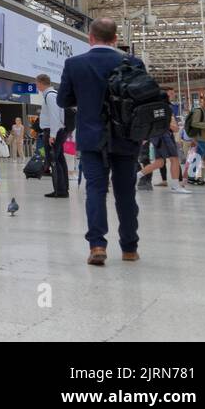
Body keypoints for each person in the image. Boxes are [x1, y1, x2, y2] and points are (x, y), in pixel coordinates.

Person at [57, 18, 144, 266]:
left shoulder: (74, 64)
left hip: (92, 136)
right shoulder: (133, 62)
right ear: (116, 38)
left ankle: (97, 246)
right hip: (127, 138)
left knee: (95, 190)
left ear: (90, 37)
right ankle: (129, 248)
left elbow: (64, 100)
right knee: (126, 193)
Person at [137, 113, 190, 194]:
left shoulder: (154, 111)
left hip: (156, 138)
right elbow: (175, 128)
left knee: (159, 163)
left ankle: (134, 177)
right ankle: (176, 186)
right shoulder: (165, 110)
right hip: (164, 136)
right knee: (174, 159)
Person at [36, 74, 68, 198]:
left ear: (41, 83)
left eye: (36, 83)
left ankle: (60, 190)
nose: (36, 86)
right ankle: (62, 189)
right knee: (59, 160)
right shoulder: (52, 95)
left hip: (53, 131)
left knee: (54, 161)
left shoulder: (50, 96)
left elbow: (54, 116)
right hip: (55, 131)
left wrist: (52, 135)